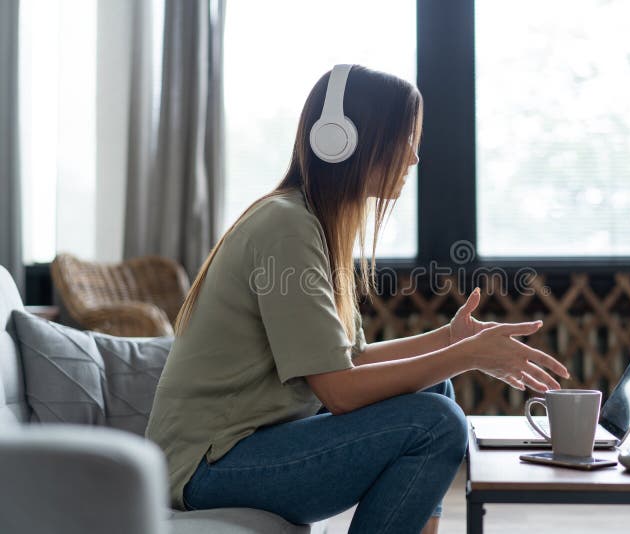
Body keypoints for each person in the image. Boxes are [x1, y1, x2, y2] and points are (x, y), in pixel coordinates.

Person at [145, 64, 570, 534]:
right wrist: (464, 355)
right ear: (341, 139)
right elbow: (341, 392)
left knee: (434, 391)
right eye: (404, 138)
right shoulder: (286, 226)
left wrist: (448, 340)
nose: (413, 158)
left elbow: (353, 360)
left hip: (241, 449)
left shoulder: (314, 225)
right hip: (206, 465)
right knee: (437, 421)